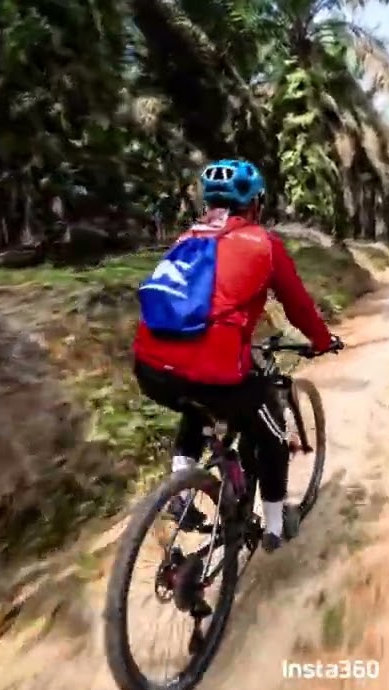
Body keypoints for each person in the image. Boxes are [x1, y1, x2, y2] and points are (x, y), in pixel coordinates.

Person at [132, 159, 343, 552]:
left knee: (195, 403)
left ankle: (179, 486)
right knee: (272, 434)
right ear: (255, 204)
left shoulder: (186, 239)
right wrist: (321, 339)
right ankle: (277, 527)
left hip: (149, 366)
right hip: (214, 372)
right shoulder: (264, 243)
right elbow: (298, 306)